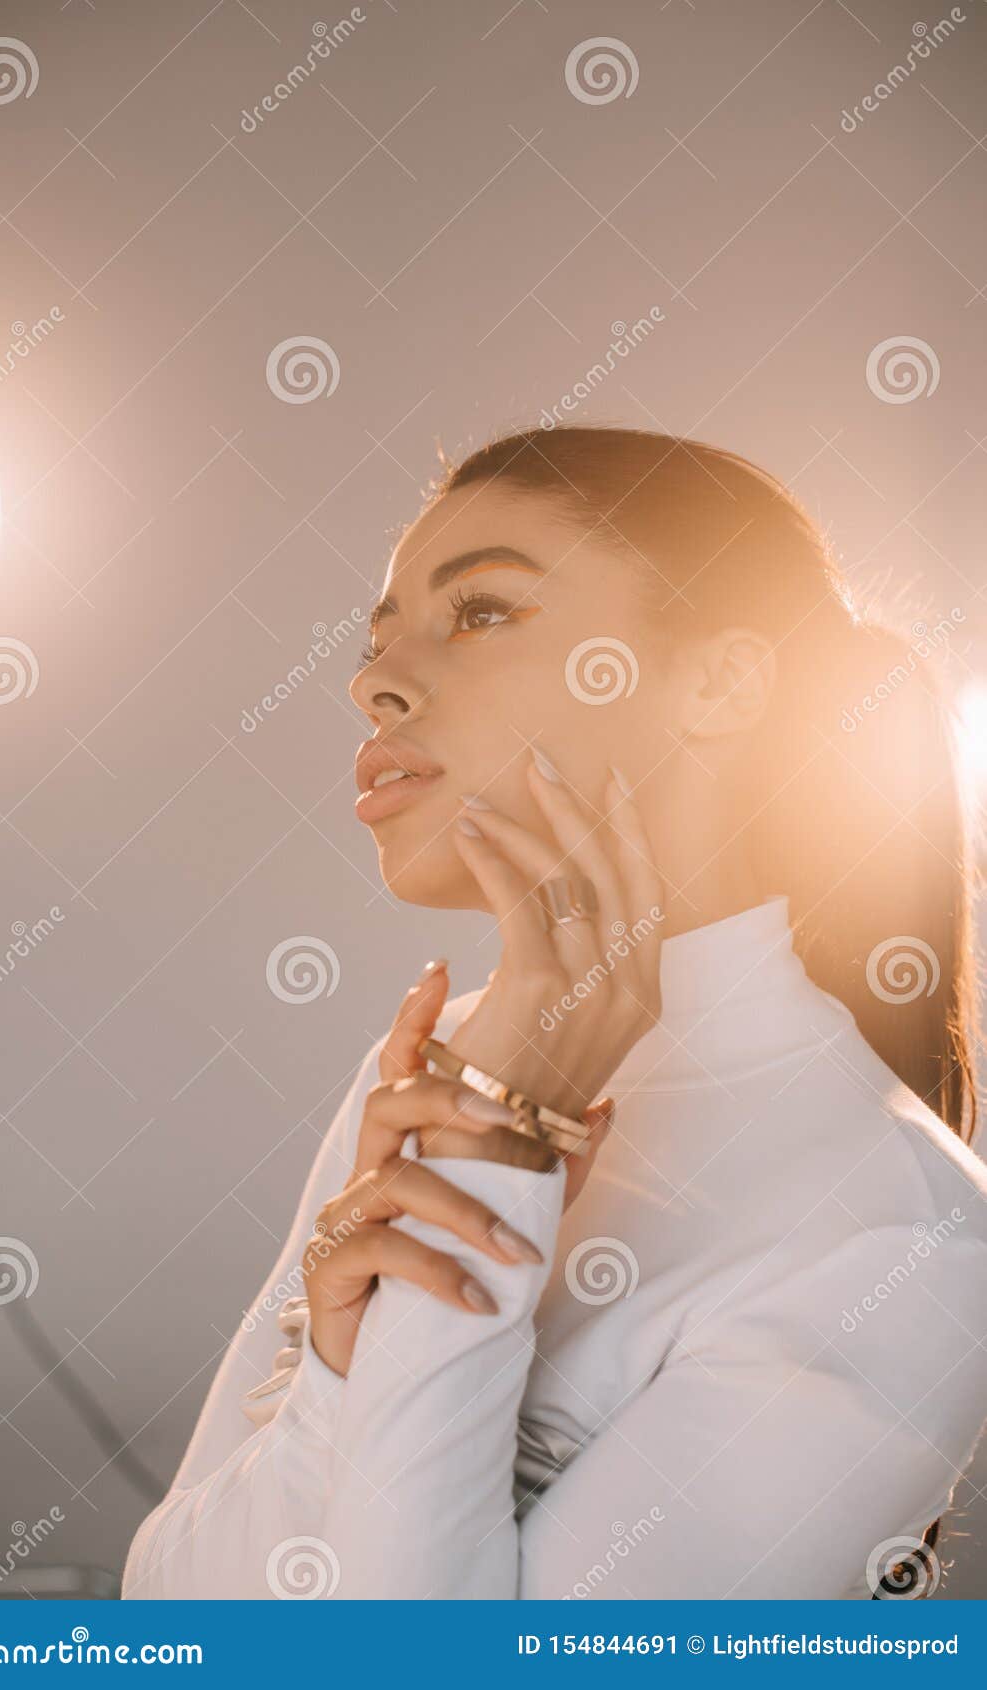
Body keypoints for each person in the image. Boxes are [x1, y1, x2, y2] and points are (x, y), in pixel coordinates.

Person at [123, 426, 987, 1601]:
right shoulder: (443, 1067)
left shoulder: (905, 1241)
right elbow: (167, 1601)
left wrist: (491, 1173)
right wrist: (332, 1372)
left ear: (721, 685)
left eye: (480, 611)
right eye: (376, 642)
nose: (371, 682)